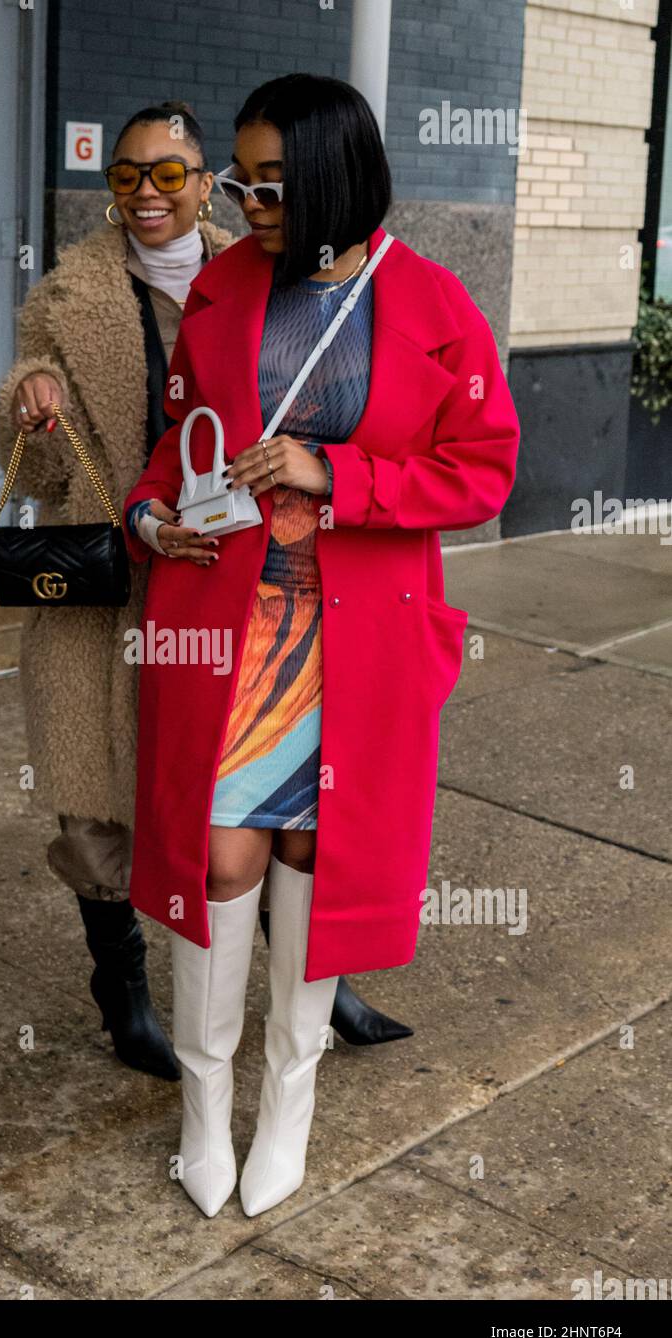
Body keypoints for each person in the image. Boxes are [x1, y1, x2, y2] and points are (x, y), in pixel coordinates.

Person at [122, 74, 520, 1217]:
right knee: (220, 861)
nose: (247, 202)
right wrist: (152, 516)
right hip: (227, 633)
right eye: (240, 179)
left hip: (362, 647)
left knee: (313, 860)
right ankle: (204, 1104)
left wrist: (332, 472)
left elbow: (482, 468)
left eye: (272, 183)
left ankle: (286, 1102)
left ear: (338, 177)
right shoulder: (223, 286)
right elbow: (177, 440)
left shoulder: (434, 303)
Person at [0, 102, 232, 1081]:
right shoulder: (63, 300)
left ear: (206, 182)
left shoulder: (260, 280)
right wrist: (28, 413)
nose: (146, 193)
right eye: (127, 175)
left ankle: (307, 968)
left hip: (221, 578)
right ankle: (122, 988)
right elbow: (36, 469)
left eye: (168, 174)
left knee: (242, 783)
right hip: (99, 581)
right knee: (93, 801)